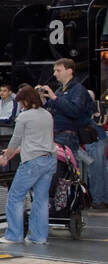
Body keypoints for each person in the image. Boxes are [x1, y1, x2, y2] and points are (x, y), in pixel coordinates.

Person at [0, 85, 56, 245]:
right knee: (41, 199)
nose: (20, 106)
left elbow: (15, 140)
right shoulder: (47, 115)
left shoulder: (24, 117)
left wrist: (6, 157)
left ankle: (14, 235)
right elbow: (41, 139)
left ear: (27, 101)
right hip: (49, 159)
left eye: (21, 102)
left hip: (32, 161)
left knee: (15, 196)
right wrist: (14, 152)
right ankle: (39, 236)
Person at [39, 58, 98, 191]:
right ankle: (59, 205)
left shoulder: (78, 90)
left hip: (67, 136)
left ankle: (67, 205)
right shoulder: (61, 90)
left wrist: (54, 98)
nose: (55, 74)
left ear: (69, 71)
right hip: (56, 135)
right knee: (56, 173)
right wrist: (43, 100)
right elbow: (53, 110)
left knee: (63, 174)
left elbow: (75, 111)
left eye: (58, 70)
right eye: (54, 71)